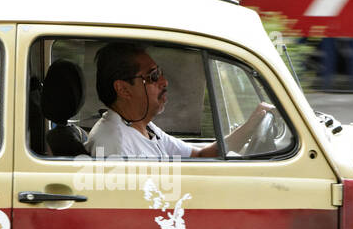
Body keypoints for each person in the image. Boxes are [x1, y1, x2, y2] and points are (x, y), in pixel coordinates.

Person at [87, 42, 275, 159]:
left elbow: (200, 155)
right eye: (153, 76)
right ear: (123, 89)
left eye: (159, 72)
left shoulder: (144, 128)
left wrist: (252, 123)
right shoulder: (114, 143)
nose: (164, 81)